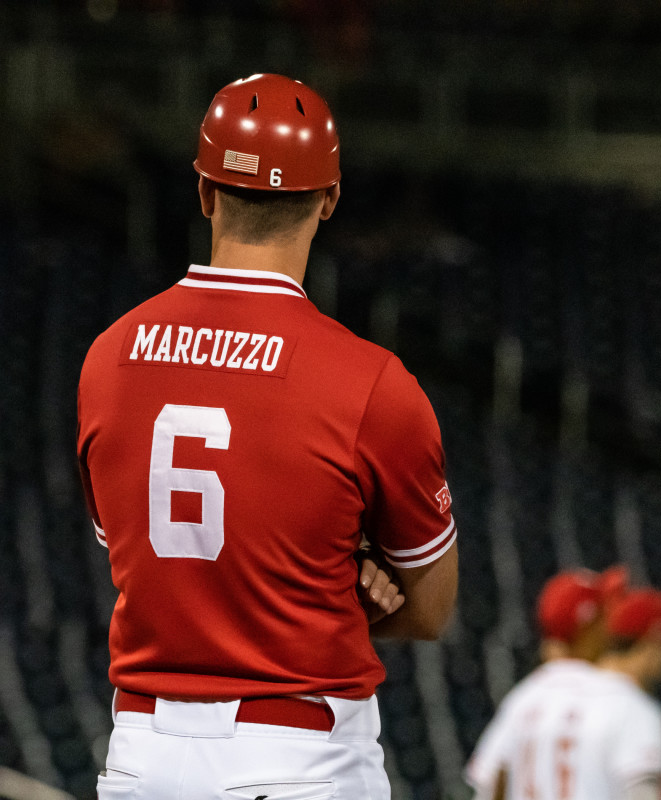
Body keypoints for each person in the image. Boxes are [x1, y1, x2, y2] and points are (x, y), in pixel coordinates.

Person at [76, 73, 459, 799]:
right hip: (298, 759)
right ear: (330, 198)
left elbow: (141, 558)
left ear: (204, 191)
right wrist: (344, 573)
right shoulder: (371, 381)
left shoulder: (107, 357)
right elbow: (430, 609)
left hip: (142, 758)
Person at [466, 574, 661, 800]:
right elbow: (641, 792)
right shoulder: (629, 705)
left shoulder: (521, 699)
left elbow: (486, 789)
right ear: (590, 627)